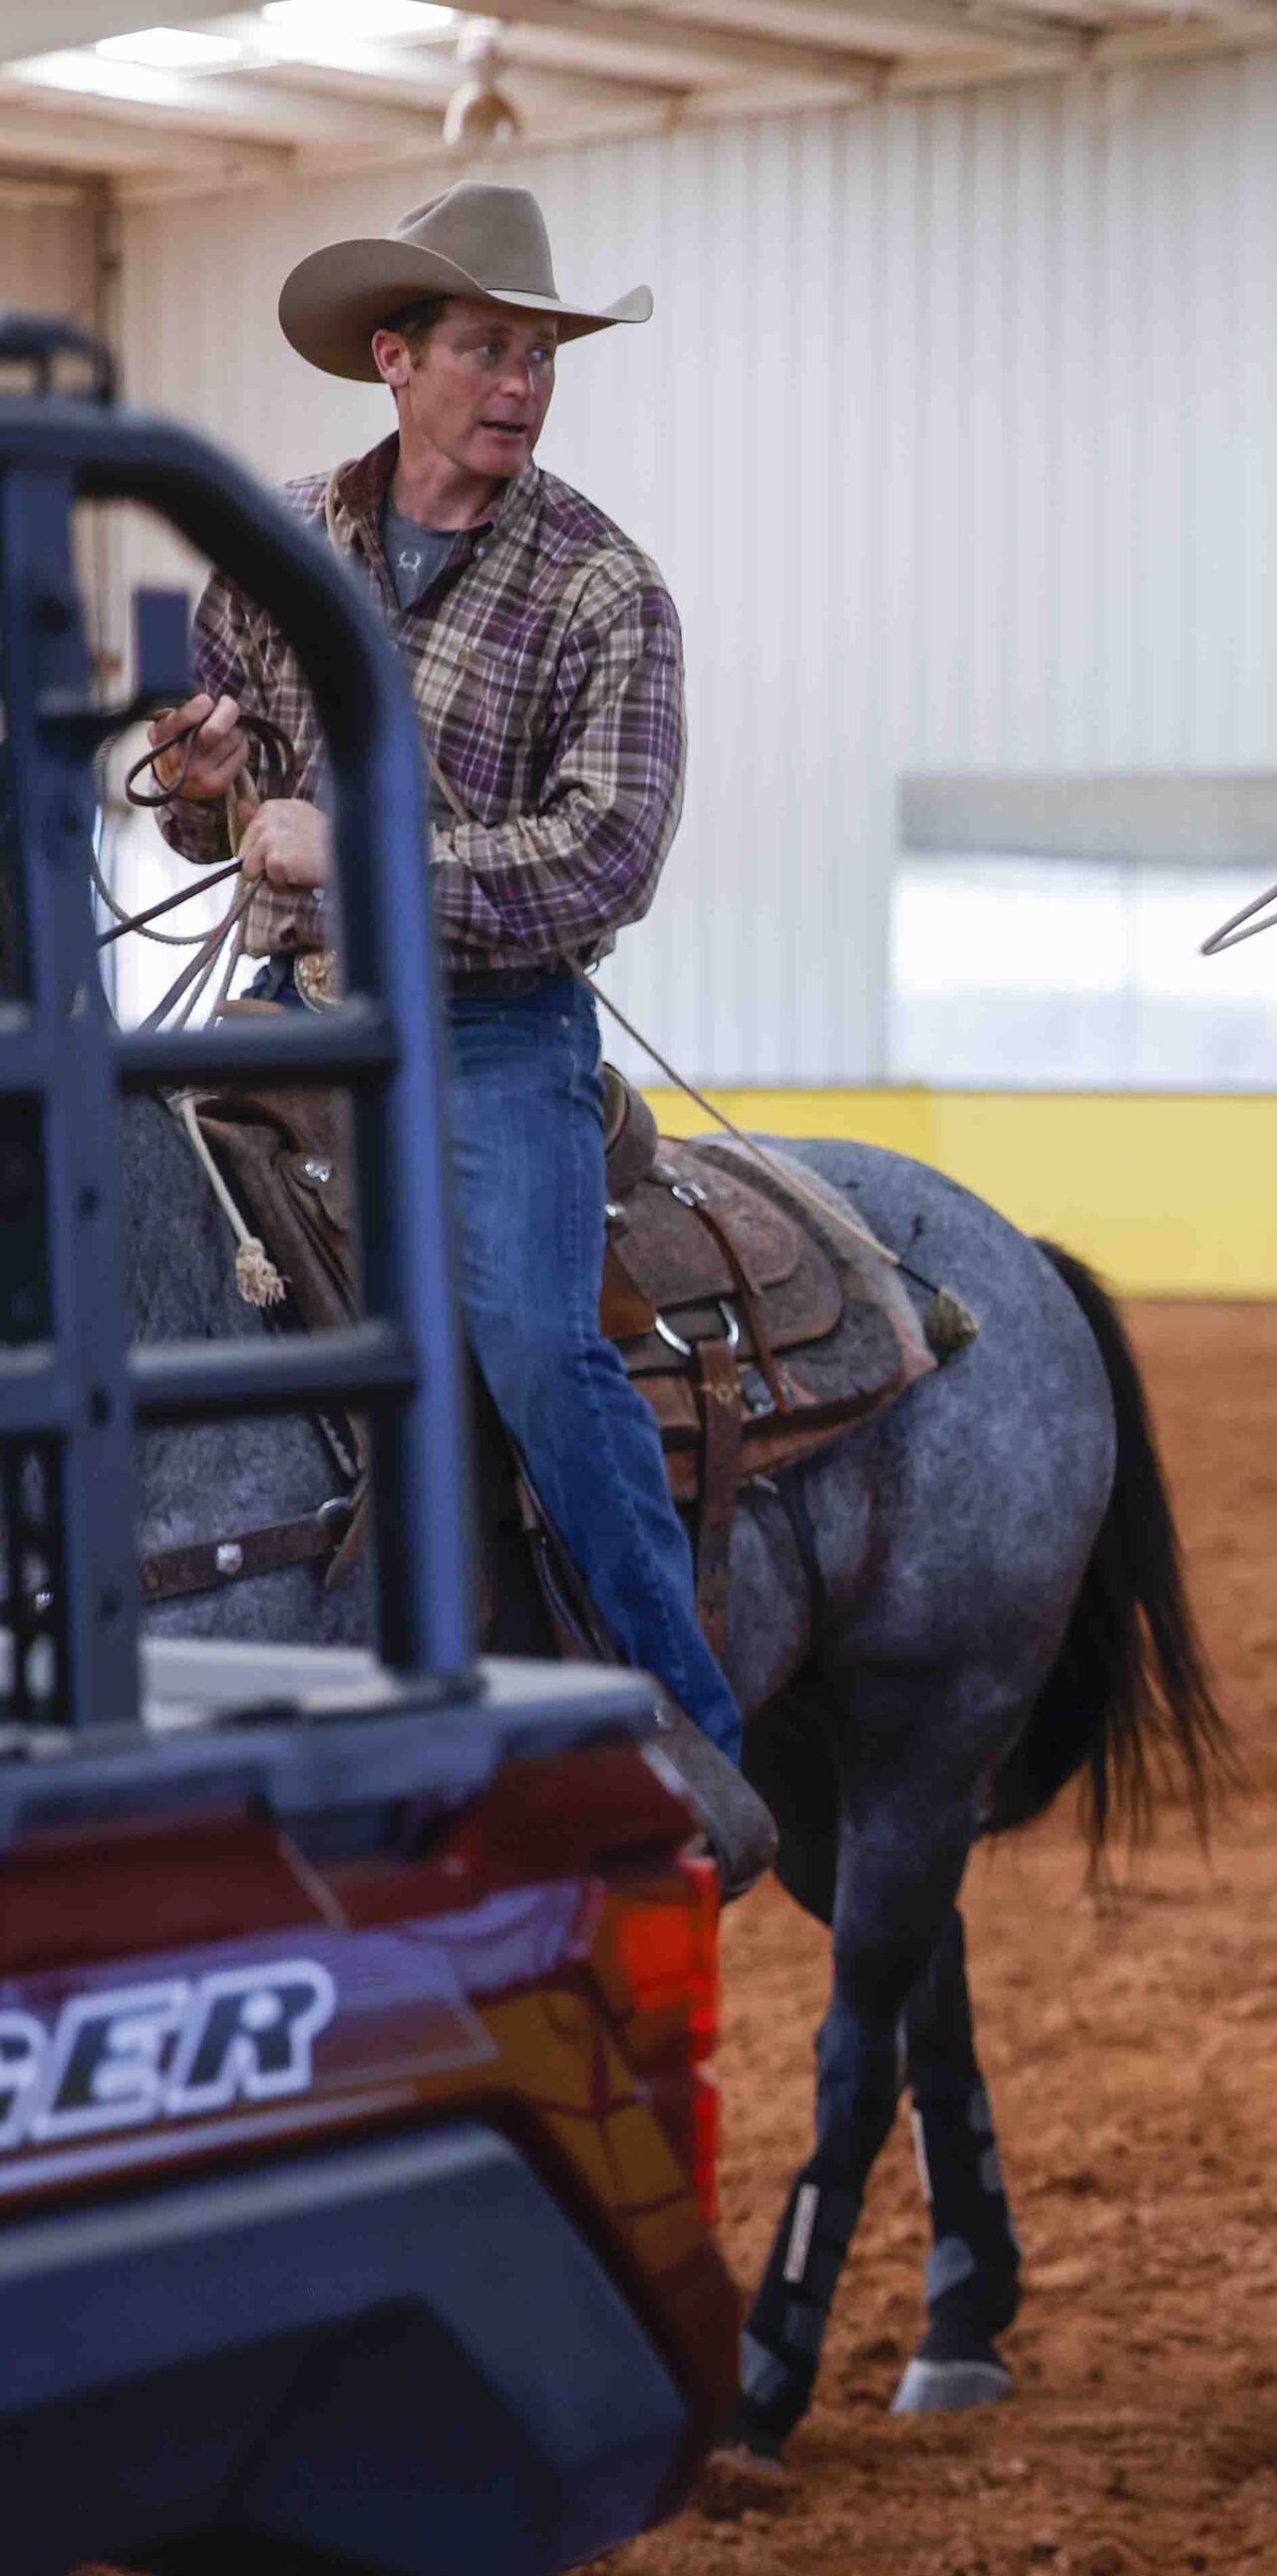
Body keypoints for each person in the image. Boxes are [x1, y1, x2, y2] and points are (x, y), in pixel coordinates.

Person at [148, 180, 771, 1883]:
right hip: (291, 1015)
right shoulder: (276, 549)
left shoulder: (601, 590)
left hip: (493, 1034)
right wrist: (202, 785)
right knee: (115, 1225)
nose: (520, 384)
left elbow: (605, 861)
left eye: (539, 356)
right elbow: (215, 821)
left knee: (538, 1350)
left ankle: (688, 1737)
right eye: (487, 350)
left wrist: (354, 854)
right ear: (394, 358)